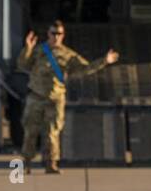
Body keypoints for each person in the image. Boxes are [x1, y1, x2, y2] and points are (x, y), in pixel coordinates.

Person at [17, 20, 118, 174]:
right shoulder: (38, 51)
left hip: (56, 97)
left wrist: (104, 61)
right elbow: (23, 65)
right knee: (31, 131)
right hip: (36, 97)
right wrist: (28, 49)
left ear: (63, 35)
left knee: (53, 133)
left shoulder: (69, 55)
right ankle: (26, 163)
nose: (56, 37)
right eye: (53, 33)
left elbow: (86, 68)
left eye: (59, 34)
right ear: (48, 34)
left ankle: (51, 164)